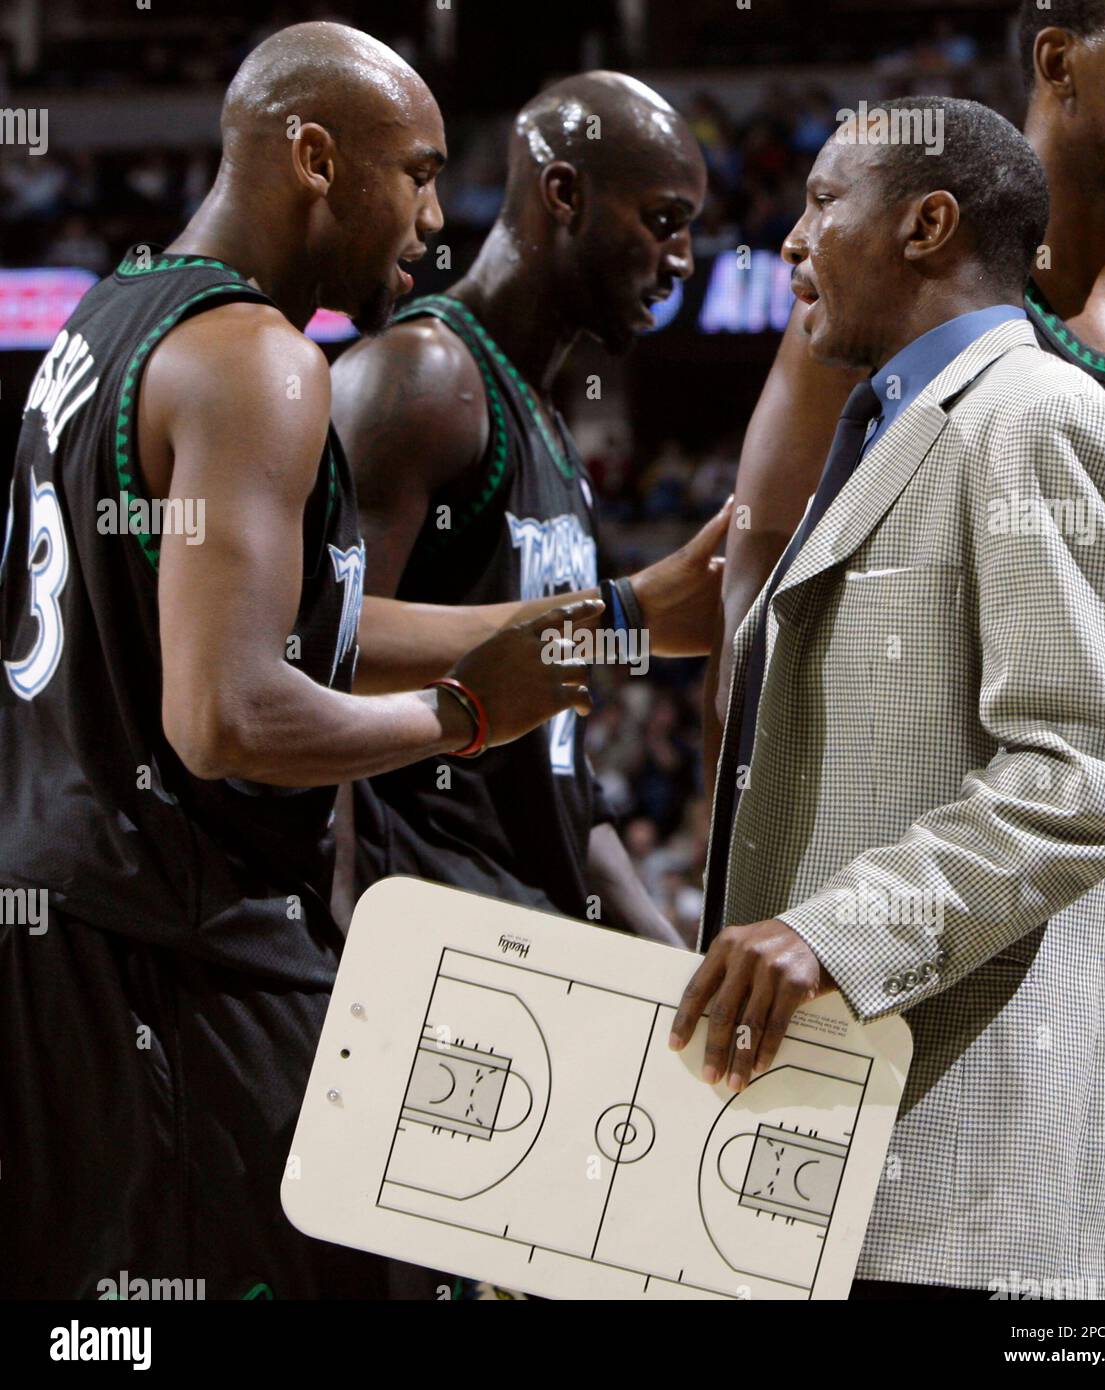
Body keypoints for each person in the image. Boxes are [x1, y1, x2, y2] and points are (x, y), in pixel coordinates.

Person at [0, 22, 600, 1299]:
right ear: (316, 158)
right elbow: (226, 713)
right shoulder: (259, 362)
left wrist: (554, 631)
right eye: (420, 172)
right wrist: (455, 714)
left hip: (72, 928)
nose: (436, 221)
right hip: (169, 943)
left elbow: (264, 621)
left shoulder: (115, 316)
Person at [708, 0, 1105, 1299]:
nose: (791, 241)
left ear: (926, 226)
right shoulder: (890, 421)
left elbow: (1093, 767)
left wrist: (836, 934)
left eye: (820, 203)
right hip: (856, 1156)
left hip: (970, 1177)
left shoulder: (1030, 420)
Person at [332, 72, 721, 948]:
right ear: (565, 195)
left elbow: (560, 793)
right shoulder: (419, 378)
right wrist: (343, 951)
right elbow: (318, 647)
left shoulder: (543, 421)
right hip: (419, 939)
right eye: (663, 220)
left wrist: (675, 966)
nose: (684, 258)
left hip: (525, 940)